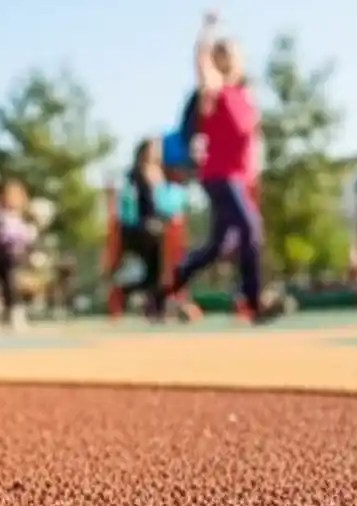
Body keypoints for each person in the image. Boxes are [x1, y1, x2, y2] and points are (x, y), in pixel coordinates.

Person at [160, 11, 280, 325]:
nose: (227, 59)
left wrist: (255, 176)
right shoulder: (213, 90)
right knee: (251, 229)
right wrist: (207, 30)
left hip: (241, 178)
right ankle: (253, 301)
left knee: (218, 246)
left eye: (231, 54)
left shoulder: (246, 95)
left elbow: (251, 141)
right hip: (218, 176)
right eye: (221, 54)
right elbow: (201, 62)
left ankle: (168, 288)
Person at [117, 138, 173, 318]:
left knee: (158, 267)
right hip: (137, 227)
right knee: (152, 260)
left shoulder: (160, 174)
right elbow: (128, 204)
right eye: (150, 149)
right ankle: (139, 295)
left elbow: (165, 203)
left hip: (159, 226)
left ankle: (154, 304)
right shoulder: (133, 175)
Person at [0, 179, 40, 330]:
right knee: (8, 284)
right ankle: (10, 313)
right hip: (4, 256)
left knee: (21, 284)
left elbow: (31, 236)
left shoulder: (26, 217)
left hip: (22, 256)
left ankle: (18, 312)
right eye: (10, 195)